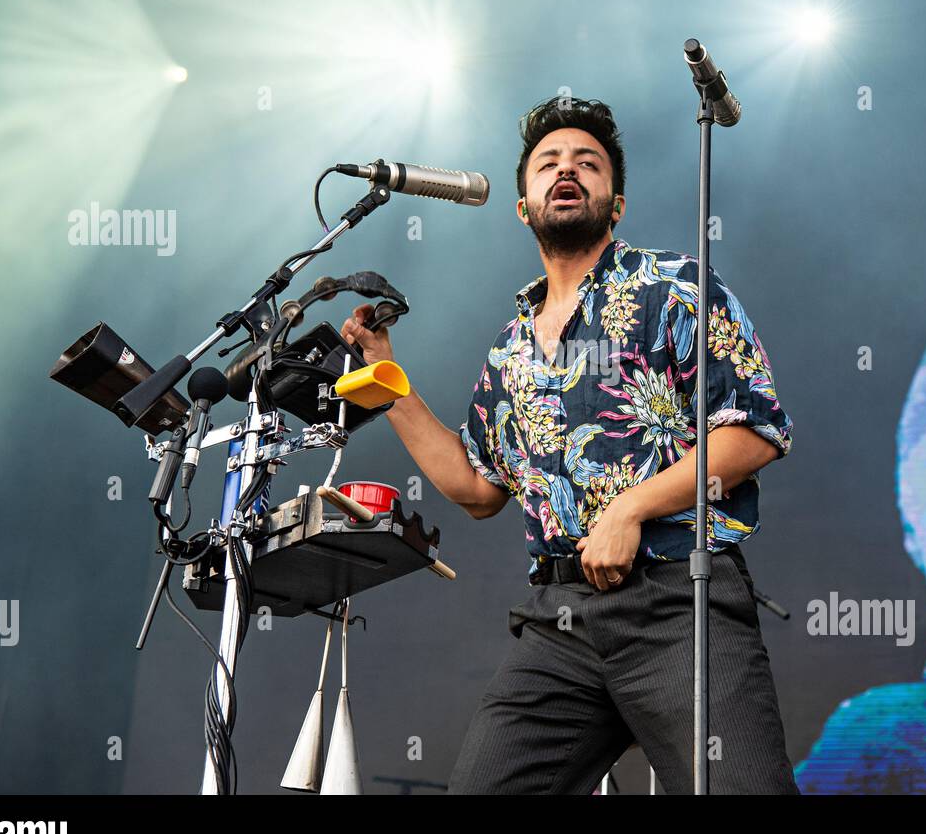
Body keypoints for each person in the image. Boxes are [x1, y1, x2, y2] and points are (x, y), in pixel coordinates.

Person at [341, 95, 800, 794]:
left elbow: (753, 432)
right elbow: (475, 489)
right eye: (548, 163)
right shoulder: (511, 345)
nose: (567, 170)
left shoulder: (672, 287)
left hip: (679, 600)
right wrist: (386, 377)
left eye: (588, 163)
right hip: (559, 621)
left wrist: (630, 509)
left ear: (615, 204)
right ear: (522, 206)